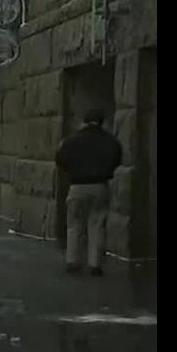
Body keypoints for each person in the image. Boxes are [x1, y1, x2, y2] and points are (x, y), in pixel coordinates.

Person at [55, 109, 123, 276]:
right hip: (100, 185)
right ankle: (95, 264)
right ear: (102, 122)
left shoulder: (71, 141)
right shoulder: (110, 141)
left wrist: (72, 171)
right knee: (97, 224)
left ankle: (72, 260)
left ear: (84, 122)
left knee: (74, 224)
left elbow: (60, 160)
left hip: (77, 186)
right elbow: (117, 159)